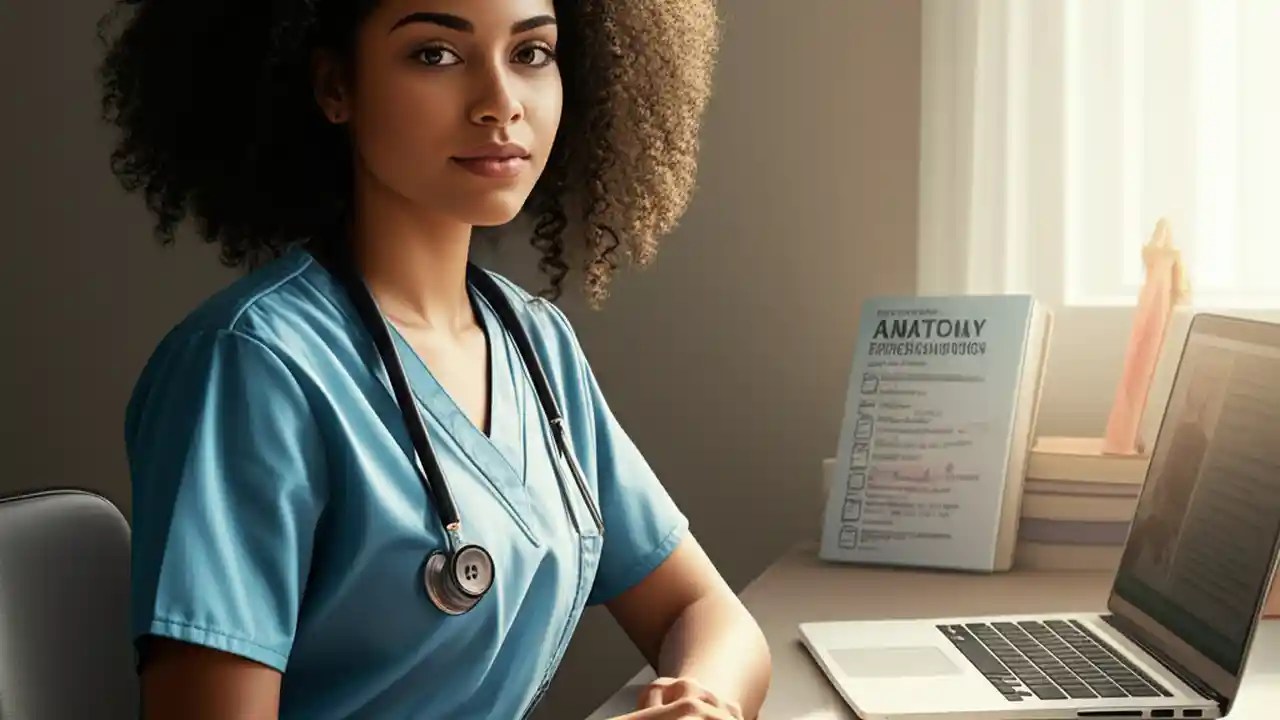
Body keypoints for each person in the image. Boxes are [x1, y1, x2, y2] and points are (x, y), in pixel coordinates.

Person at [97, 1, 771, 718]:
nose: (500, 104)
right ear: (334, 87)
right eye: (435, 55)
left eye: (531, 54)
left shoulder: (534, 343)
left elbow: (705, 614)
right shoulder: (249, 367)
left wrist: (704, 703)